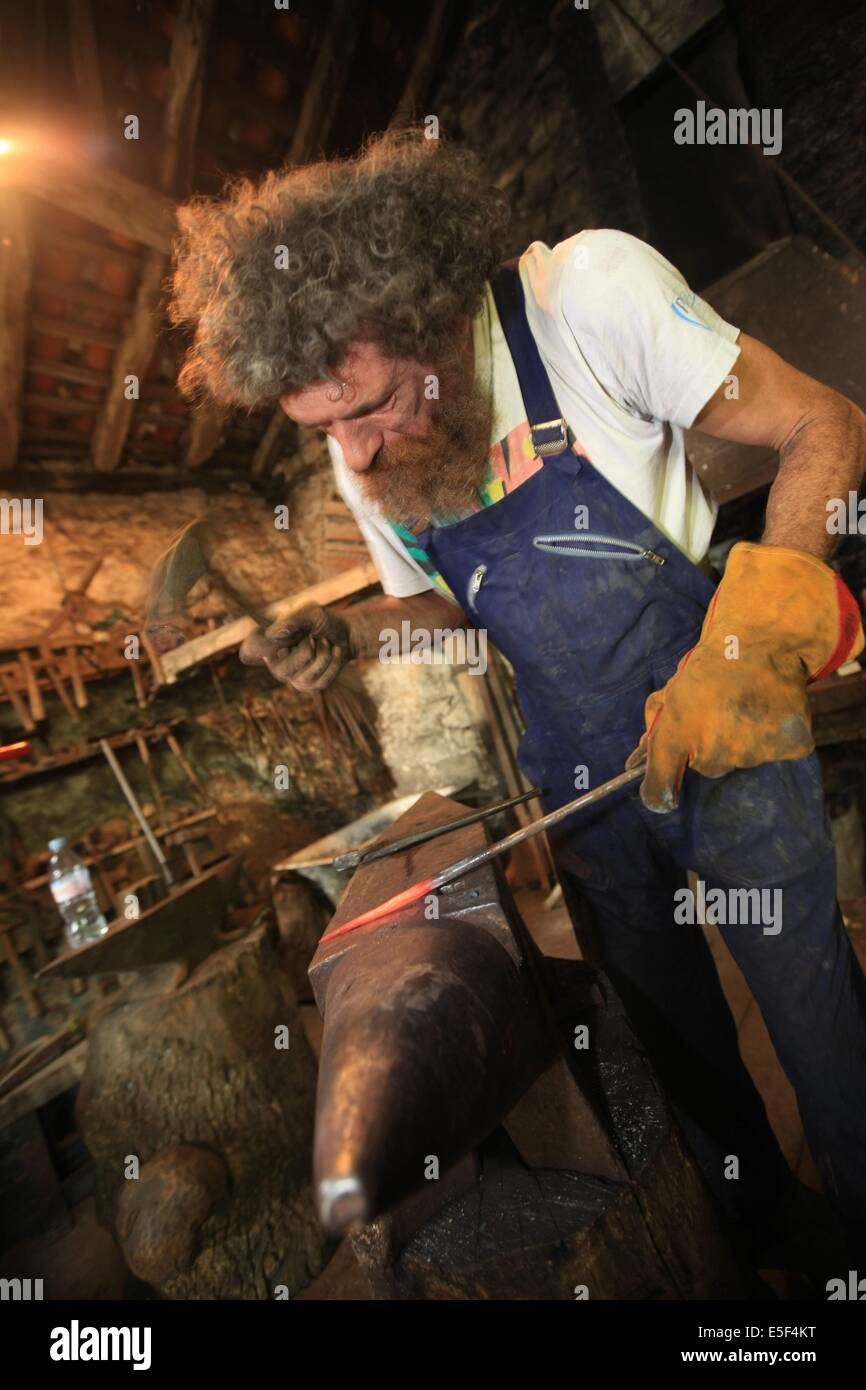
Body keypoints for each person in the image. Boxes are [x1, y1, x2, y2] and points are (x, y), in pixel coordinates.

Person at [169, 128, 866, 1269]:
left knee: (818, 1022)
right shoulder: (365, 450)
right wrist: (345, 631)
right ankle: (768, 1253)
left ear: (435, 310)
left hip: (724, 715)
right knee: (680, 1053)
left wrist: (746, 645)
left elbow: (819, 424)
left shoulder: (584, 296)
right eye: (321, 429)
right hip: (580, 783)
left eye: (377, 403)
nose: (355, 449)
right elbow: (447, 611)